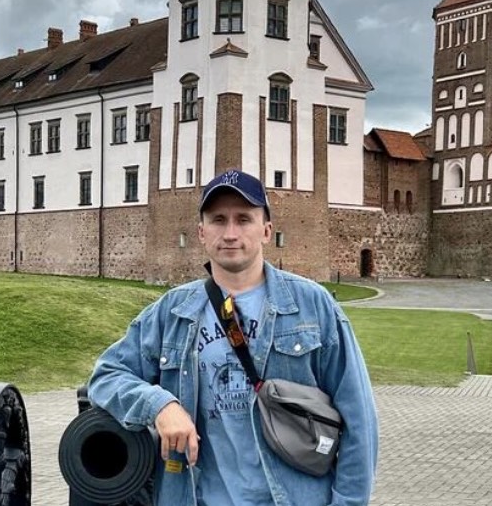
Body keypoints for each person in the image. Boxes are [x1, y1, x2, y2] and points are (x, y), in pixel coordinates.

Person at [88, 169, 379, 505]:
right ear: (201, 231)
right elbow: (106, 377)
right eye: (218, 220)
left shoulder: (312, 306)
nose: (230, 233)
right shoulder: (172, 312)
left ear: (267, 230)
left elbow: (359, 418)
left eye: (243, 219)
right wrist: (160, 405)